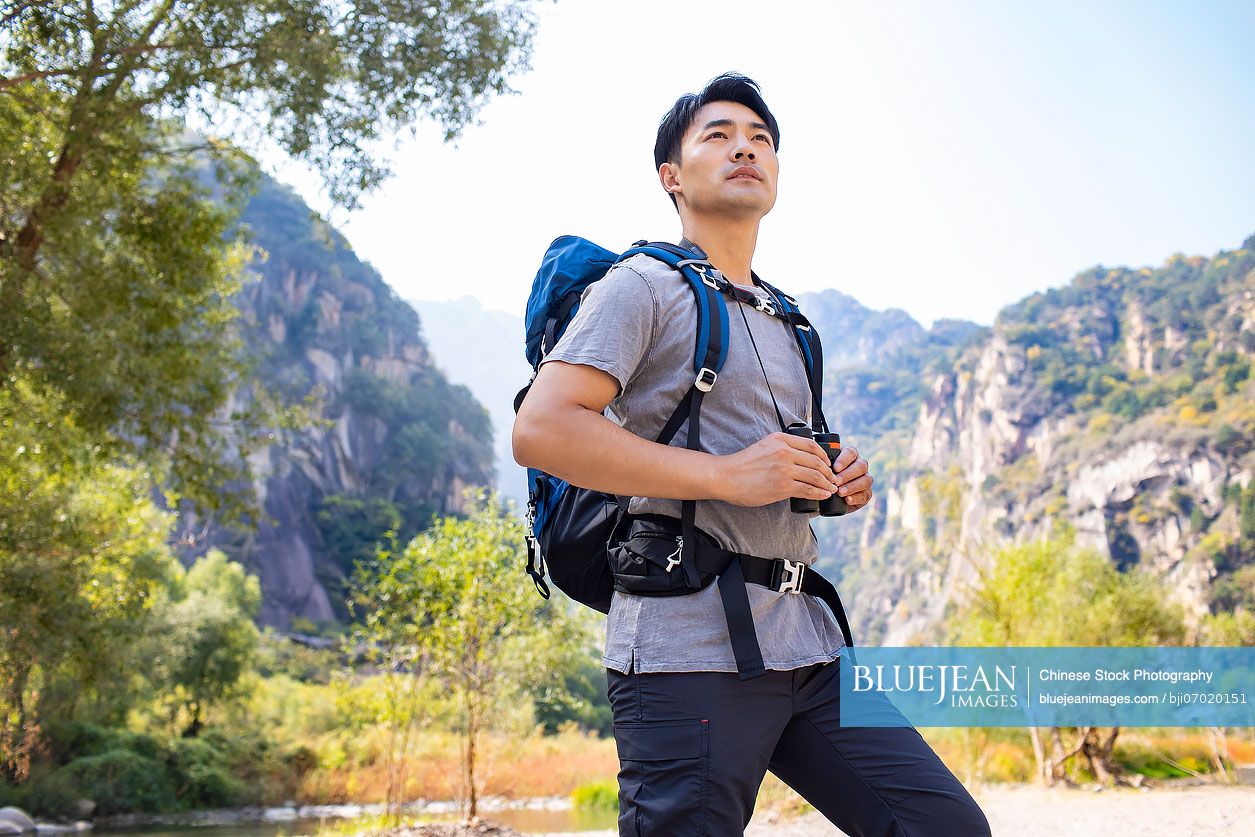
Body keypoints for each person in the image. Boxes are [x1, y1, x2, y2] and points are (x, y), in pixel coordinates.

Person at [512, 72, 991, 837]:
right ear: (671, 176)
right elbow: (542, 430)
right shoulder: (642, 285)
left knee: (945, 827)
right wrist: (727, 477)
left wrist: (834, 483)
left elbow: (770, 469)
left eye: (760, 139)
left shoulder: (789, 319)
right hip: (685, 646)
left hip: (806, 642)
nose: (745, 148)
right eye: (718, 136)